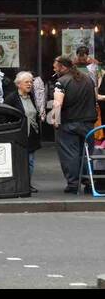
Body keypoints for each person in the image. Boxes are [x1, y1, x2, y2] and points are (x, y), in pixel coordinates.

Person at [51, 55, 99, 194]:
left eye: (56, 68)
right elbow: (94, 98)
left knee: (69, 154)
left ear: (63, 67)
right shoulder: (88, 79)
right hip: (88, 123)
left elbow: (57, 103)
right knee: (86, 154)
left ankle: (73, 184)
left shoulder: (61, 82)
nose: (54, 70)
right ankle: (89, 182)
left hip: (69, 123)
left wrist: (55, 120)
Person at [7, 70, 43, 194]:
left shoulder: (31, 97)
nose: (29, 84)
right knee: (17, 161)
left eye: (31, 82)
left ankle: (27, 184)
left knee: (30, 161)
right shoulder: (12, 98)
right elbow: (4, 115)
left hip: (31, 134)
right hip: (17, 134)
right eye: (26, 82)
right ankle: (17, 184)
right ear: (18, 84)